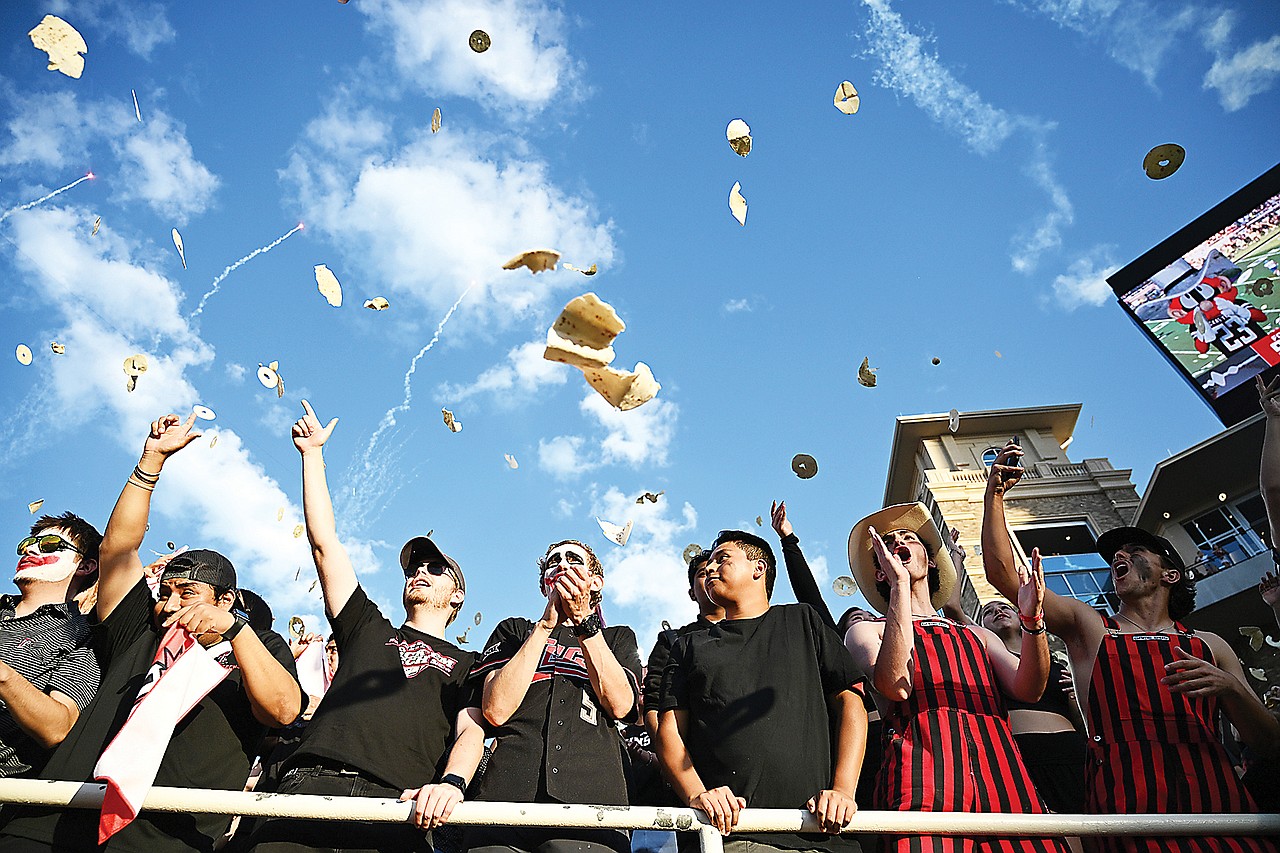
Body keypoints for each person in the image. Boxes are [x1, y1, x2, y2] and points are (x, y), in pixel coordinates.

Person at [0, 412, 303, 853]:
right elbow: (117, 549)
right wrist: (151, 462)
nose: (172, 603)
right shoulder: (140, 631)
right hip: (54, 821)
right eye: (166, 591)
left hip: (165, 838)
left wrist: (236, 632)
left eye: (189, 592)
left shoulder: (259, 645)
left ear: (227, 599)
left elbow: (283, 710)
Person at [983, 439, 1280, 853]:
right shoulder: (1090, 627)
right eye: (1116, 554)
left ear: (1170, 575)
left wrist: (1230, 689)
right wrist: (994, 494)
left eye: (1135, 551)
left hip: (1219, 809)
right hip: (1126, 810)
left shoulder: (1210, 645)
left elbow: (1269, 743)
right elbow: (1003, 575)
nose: (1119, 556)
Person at [247, 400, 485, 852]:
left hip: (397, 808)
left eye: (435, 568)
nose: (420, 571)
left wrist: (452, 783)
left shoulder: (469, 663)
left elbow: (471, 729)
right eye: (415, 566)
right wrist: (312, 456)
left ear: (457, 595)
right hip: (308, 792)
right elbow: (324, 545)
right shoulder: (367, 626)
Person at [844, 503, 1069, 853]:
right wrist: (900, 587)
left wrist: (1032, 620)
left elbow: (1029, 688)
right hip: (922, 782)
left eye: (908, 538)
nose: (899, 543)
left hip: (1005, 779)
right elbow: (896, 685)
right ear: (879, 573)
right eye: (889, 542)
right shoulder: (865, 631)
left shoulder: (977, 634)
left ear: (931, 560)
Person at [656, 529, 867, 853]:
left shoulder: (803, 621)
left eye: (721, 558)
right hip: (731, 839)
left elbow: (852, 704)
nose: (710, 568)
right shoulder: (687, 646)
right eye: (708, 563)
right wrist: (698, 794)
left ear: (759, 568)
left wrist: (843, 790)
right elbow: (670, 732)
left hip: (820, 836)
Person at [467, 539, 643, 853]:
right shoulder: (514, 631)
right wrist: (546, 626)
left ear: (595, 581)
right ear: (543, 585)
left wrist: (584, 623)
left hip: (591, 805)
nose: (561, 564)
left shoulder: (617, 637)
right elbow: (495, 710)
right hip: (505, 799)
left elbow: (622, 705)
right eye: (553, 561)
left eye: (573, 559)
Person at [0, 512, 101, 778]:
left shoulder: (81, 636)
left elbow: (58, 728)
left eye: (49, 545)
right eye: (27, 543)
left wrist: (4, 676)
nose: (31, 548)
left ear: (85, 567)